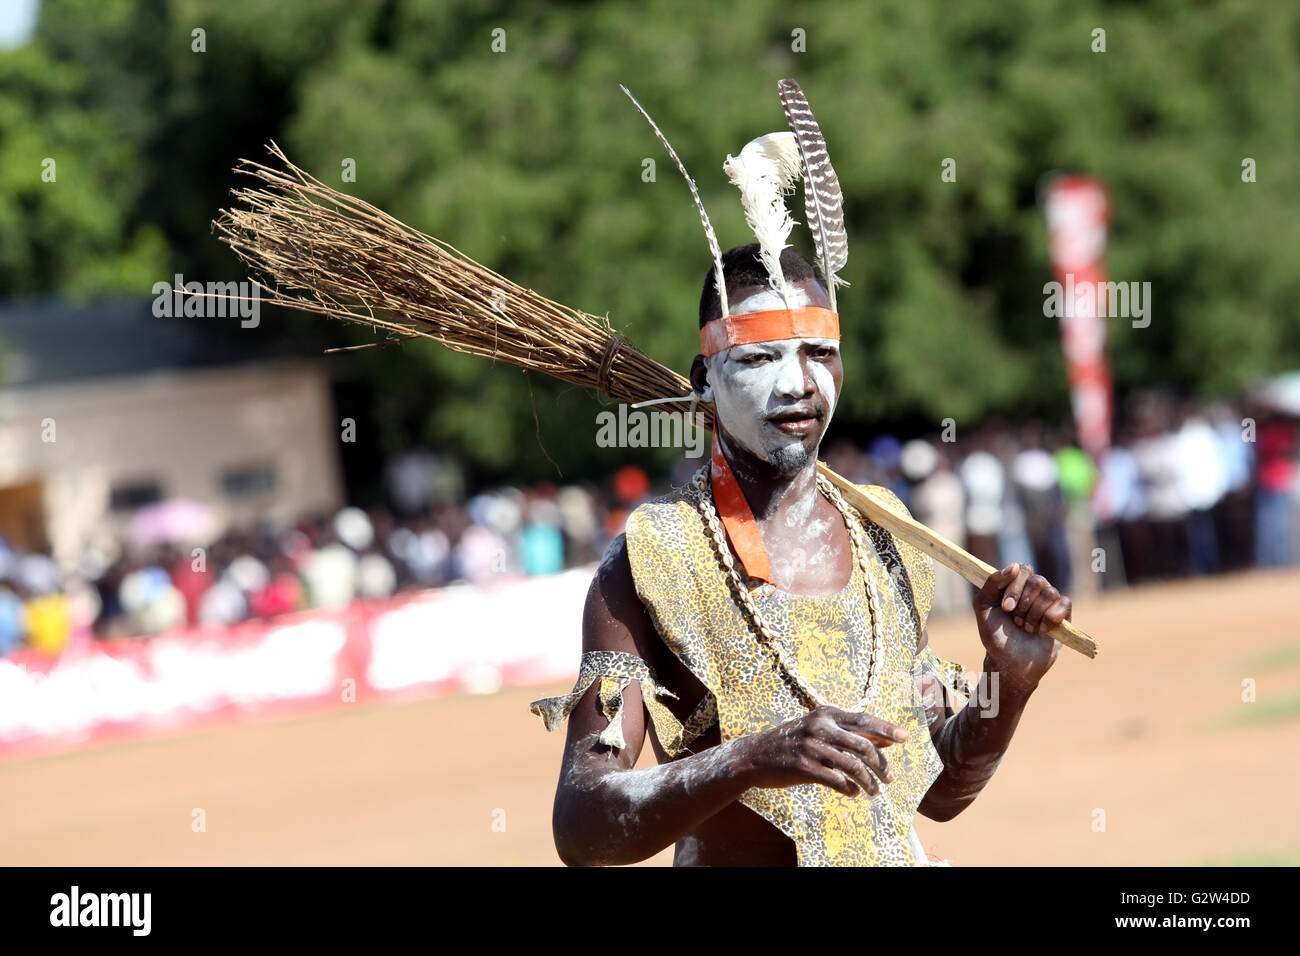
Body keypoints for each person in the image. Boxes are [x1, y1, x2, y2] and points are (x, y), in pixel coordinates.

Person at [532, 242, 1071, 866]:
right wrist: (749, 759)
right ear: (704, 377)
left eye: (820, 354)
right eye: (761, 357)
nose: (799, 385)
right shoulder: (653, 558)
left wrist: (1010, 679)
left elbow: (939, 786)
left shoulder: (886, 533)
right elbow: (581, 823)